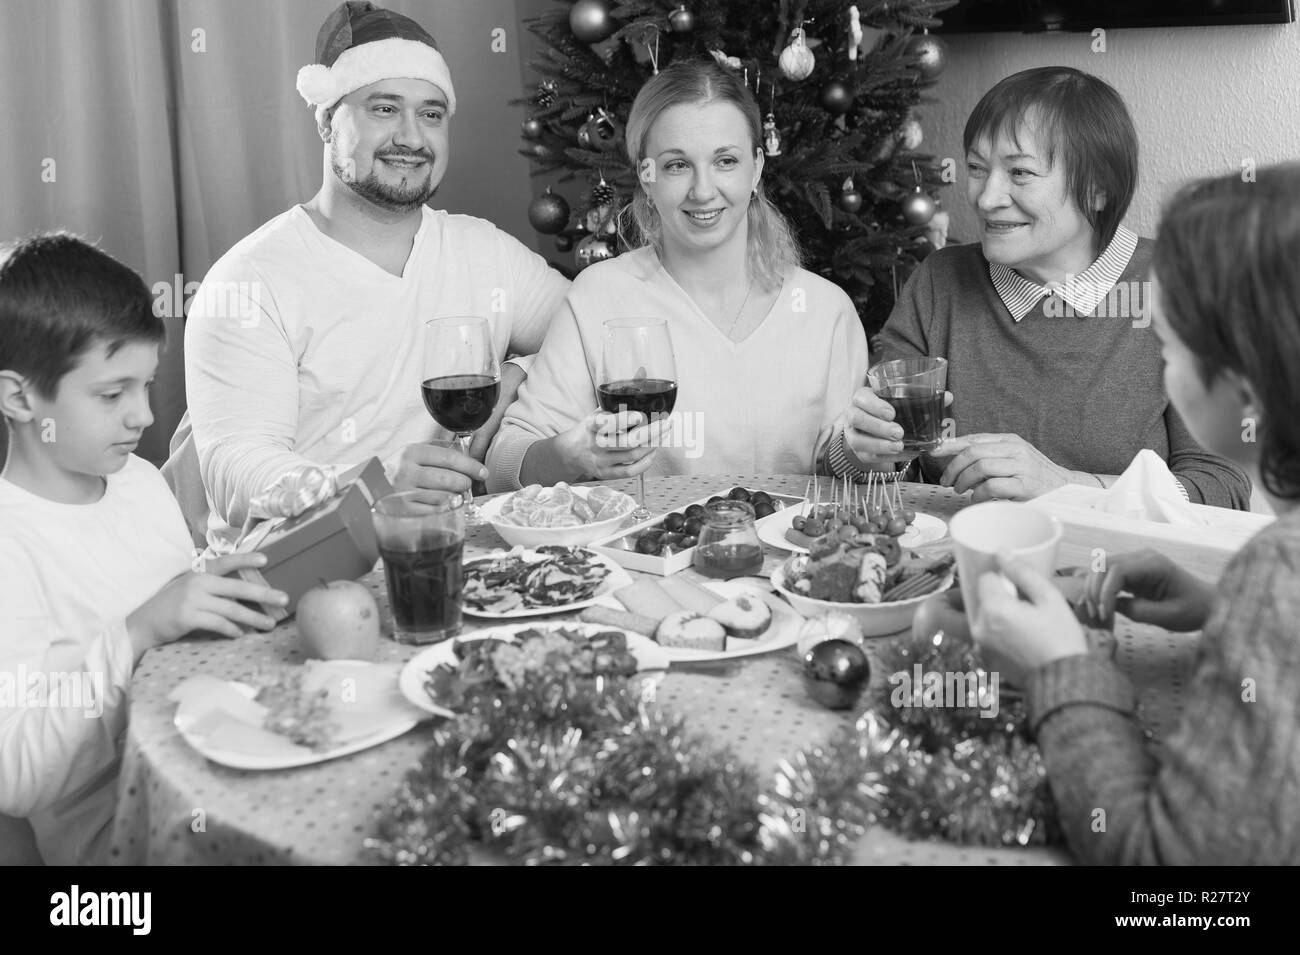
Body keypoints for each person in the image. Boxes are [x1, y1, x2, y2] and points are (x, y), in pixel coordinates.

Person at [925, 164, 1300, 864]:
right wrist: (1223, 607)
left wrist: (1058, 666)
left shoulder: (1280, 571)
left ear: (1245, 389)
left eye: (1172, 349)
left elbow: (1177, 885)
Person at [175, 1, 569, 544]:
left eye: (431, 114)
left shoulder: (485, 252)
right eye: (384, 109)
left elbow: (591, 335)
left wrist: (520, 375)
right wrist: (371, 485)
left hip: (460, 552)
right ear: (325, 121)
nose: (412, 138)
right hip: (306, 568)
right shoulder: (250, 280)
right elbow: (235, 473)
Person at [835, 67, 1251, 509]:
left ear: (1097, 189)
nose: (986, 198)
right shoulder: (940, 280)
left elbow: (1223, 488)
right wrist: (861, 454)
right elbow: (871, 471)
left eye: (1020, 173)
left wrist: (1068, 488)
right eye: (976, 168)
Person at [0, 234, 286, 865]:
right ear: (20, 399)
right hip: (126, 832)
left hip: (217, 756)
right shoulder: (11, 547)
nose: (144, 416)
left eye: (146, 385)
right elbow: (14, 776)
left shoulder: (136, 481)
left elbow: (164, 595)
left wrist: (215, 587)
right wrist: (137, 634)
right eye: (112, 394)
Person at [487, 59, 868, 489]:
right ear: (646, 177)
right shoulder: (599, 296)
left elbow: (848, 472)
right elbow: (504, 463)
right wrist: (572, 455)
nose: (703, 191)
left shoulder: (826, 310)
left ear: (757, 168)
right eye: (676, 165)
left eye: (726, 160)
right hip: (646, 536)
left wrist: (860, 454)